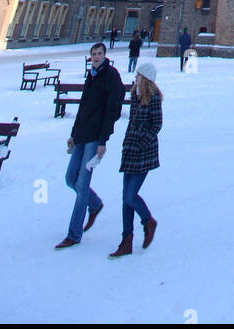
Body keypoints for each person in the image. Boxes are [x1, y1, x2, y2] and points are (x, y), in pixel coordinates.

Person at [55, 42, 124, 249]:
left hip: (95, 138)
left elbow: (113, 110)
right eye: (93, 54)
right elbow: (84, 106)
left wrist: (103, 140)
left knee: (83, 183)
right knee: (70, 178)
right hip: (82, 135)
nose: (96, 56)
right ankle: (94, 204)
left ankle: (74, 234)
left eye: (99, 53)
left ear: (105, 55)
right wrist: (73, 134)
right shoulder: (91, 75)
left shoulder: (111, 76)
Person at [109, 59, 163, 258]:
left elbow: (156, 125)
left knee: (130, 195)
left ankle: (148, 221)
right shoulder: (134, 95)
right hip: (130, 150)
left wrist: (141, 142)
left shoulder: (154, 97)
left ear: (146, 79)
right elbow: (131, 123)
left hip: (143, 153)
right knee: (126, 198)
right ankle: (126, 240)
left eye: (139, 75)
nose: (135, 77)